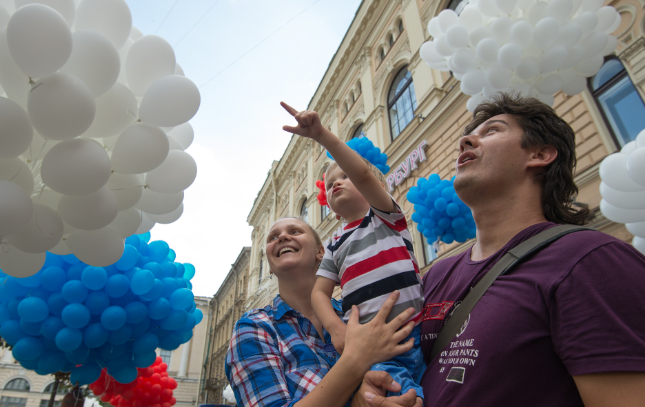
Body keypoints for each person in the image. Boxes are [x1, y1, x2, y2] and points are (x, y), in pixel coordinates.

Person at [355, 93, 645, 407]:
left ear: (540, 153)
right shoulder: (436, 274)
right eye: (469, 135)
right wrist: (369, 394)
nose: (465, 140)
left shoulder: (590, 259)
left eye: (492, 130)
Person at [280, 102, 425, 402]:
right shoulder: (335, 244)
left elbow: (363, 174)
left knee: (406, 384)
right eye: (330, 183)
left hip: (409, 330)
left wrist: (322, 136)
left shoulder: (386, 217)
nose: (336, 184)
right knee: (397, 389)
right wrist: (336, 329)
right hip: (366, 341)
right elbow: (320, 294)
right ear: (331, 210)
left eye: (344, 177)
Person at [225, 216, 420, 407]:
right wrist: (357, 360)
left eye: (294, 231)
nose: (283, 237)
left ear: (321, 252)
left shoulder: (354, 312)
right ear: (269, 266)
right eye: (273, 237)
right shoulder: (253, 327)